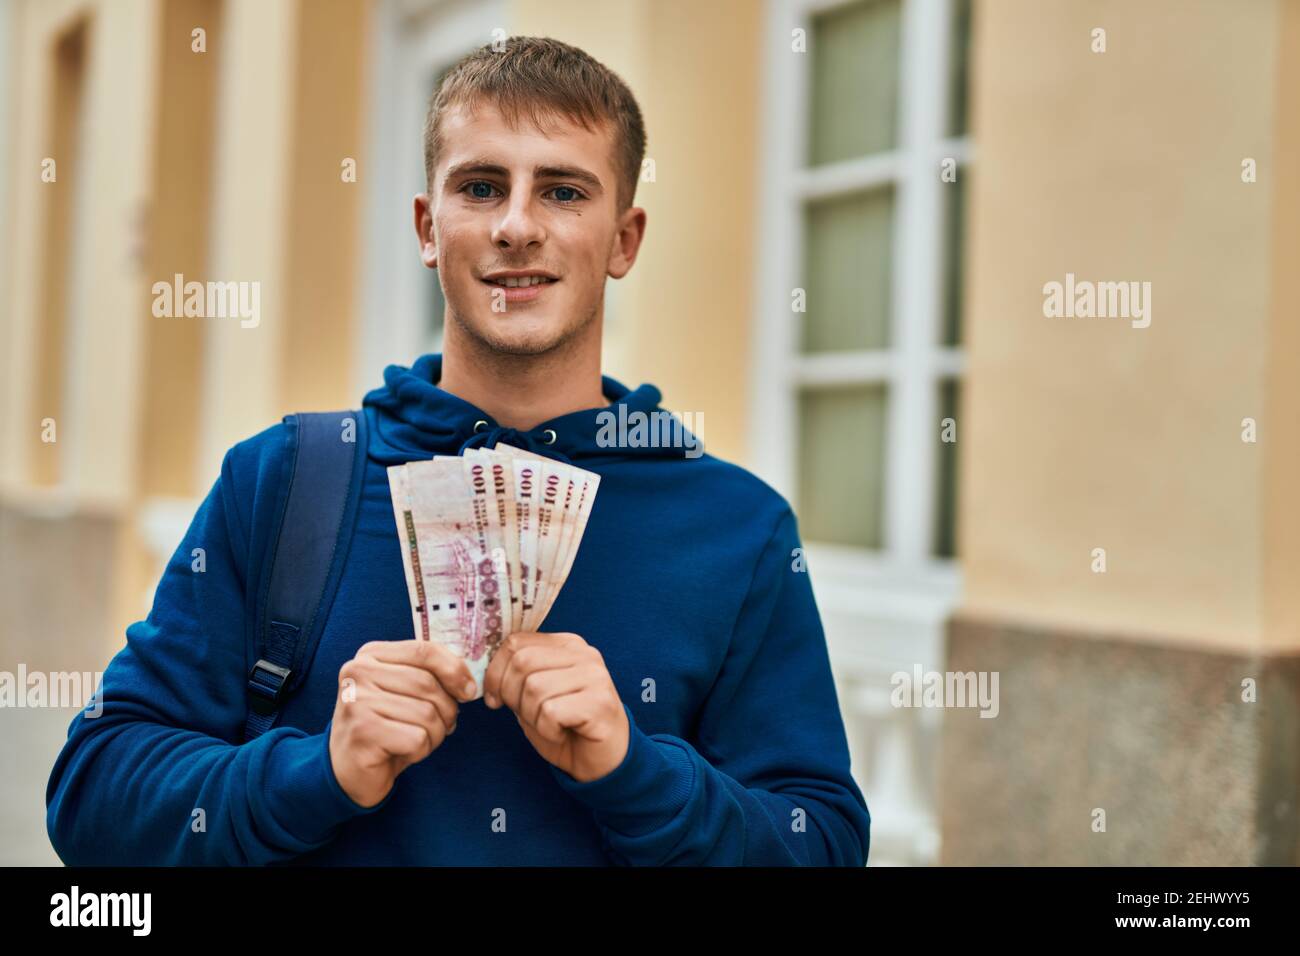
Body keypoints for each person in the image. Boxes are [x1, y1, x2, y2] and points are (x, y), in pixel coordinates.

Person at [45, 35, 870, 866]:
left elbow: (824, 840)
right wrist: (317, 772)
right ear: (427, 227)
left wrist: (638, 774)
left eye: (563, 192)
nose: (517, 226)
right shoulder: (281, 482)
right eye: (481, 187)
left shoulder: (739, 527)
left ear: (624, 240)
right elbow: (91, 795)